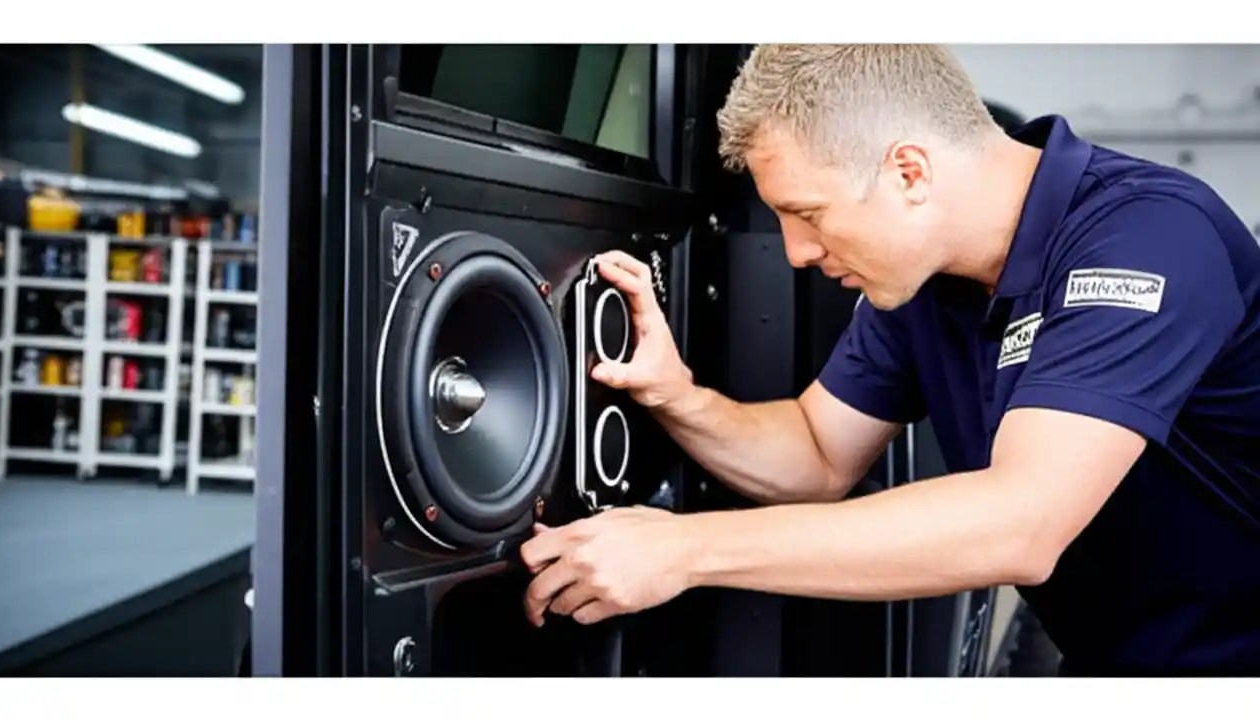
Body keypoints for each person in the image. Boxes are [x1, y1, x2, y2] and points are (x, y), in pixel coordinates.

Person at [519, 44, 1260, 675]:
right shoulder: (918, 284)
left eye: (807, 214)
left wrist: (684, 550)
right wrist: (676, 396)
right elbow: (815, 452)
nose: (799, 253)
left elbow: (1021, 523)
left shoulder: (1149, 238)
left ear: (909, 172)